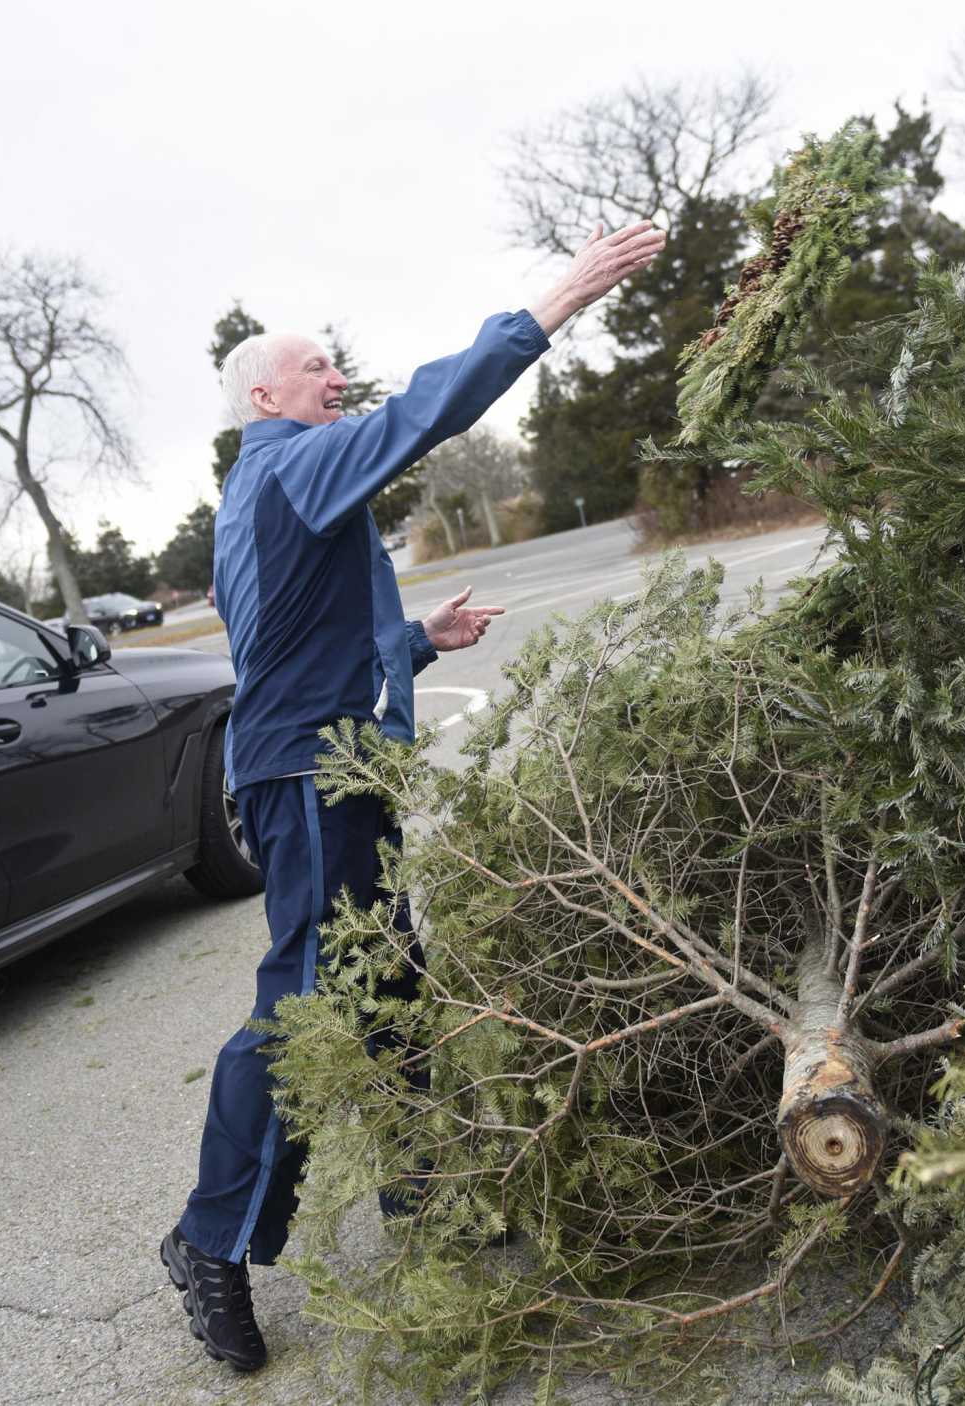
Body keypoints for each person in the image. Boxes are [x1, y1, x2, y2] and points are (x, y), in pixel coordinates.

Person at [160, 221, 666, 1372]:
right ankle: (210, 1239)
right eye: (315, 367)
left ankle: (425, 1199)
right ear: (263, 395)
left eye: (334, 362)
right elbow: (417, 418)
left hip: (331, 759)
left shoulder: (266, 486)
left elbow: (297, 640)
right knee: (304, 1000)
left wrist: (411, 640)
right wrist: (552, 304)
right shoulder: (289, 462)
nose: (336, 376)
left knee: (389, 984)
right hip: (305, 777)